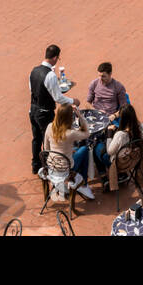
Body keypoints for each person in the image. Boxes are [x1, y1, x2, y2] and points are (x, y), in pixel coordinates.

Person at [30, 44, 76, 174]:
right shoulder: (50, 75)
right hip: (44, 113)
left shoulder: (34, 70)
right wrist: (73, 101)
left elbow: (33, 89)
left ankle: (35, 165)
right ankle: (47, 168)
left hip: (33, 110)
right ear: (55, 57)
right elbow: (58, 98)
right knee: (47, 140)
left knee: (36, 138)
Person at [43, 104, 96, 201]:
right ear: (69, 118)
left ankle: (74, 184)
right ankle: (83, 184)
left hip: (52, 166)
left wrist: (66, 150)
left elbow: (46, 148)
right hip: (66, 169)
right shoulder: (71, 133)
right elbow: (87, 133)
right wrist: (80, 115)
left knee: (76, 150)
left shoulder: (49, 127)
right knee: (84, 149)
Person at [104, 103, 143, 193]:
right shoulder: (141, 128)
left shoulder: (120, 135)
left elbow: (110, 151)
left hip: (121, 164)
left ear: (122, 119)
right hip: (136, 159)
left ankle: (109, 177)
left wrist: (109, 134)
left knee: (101, 153)